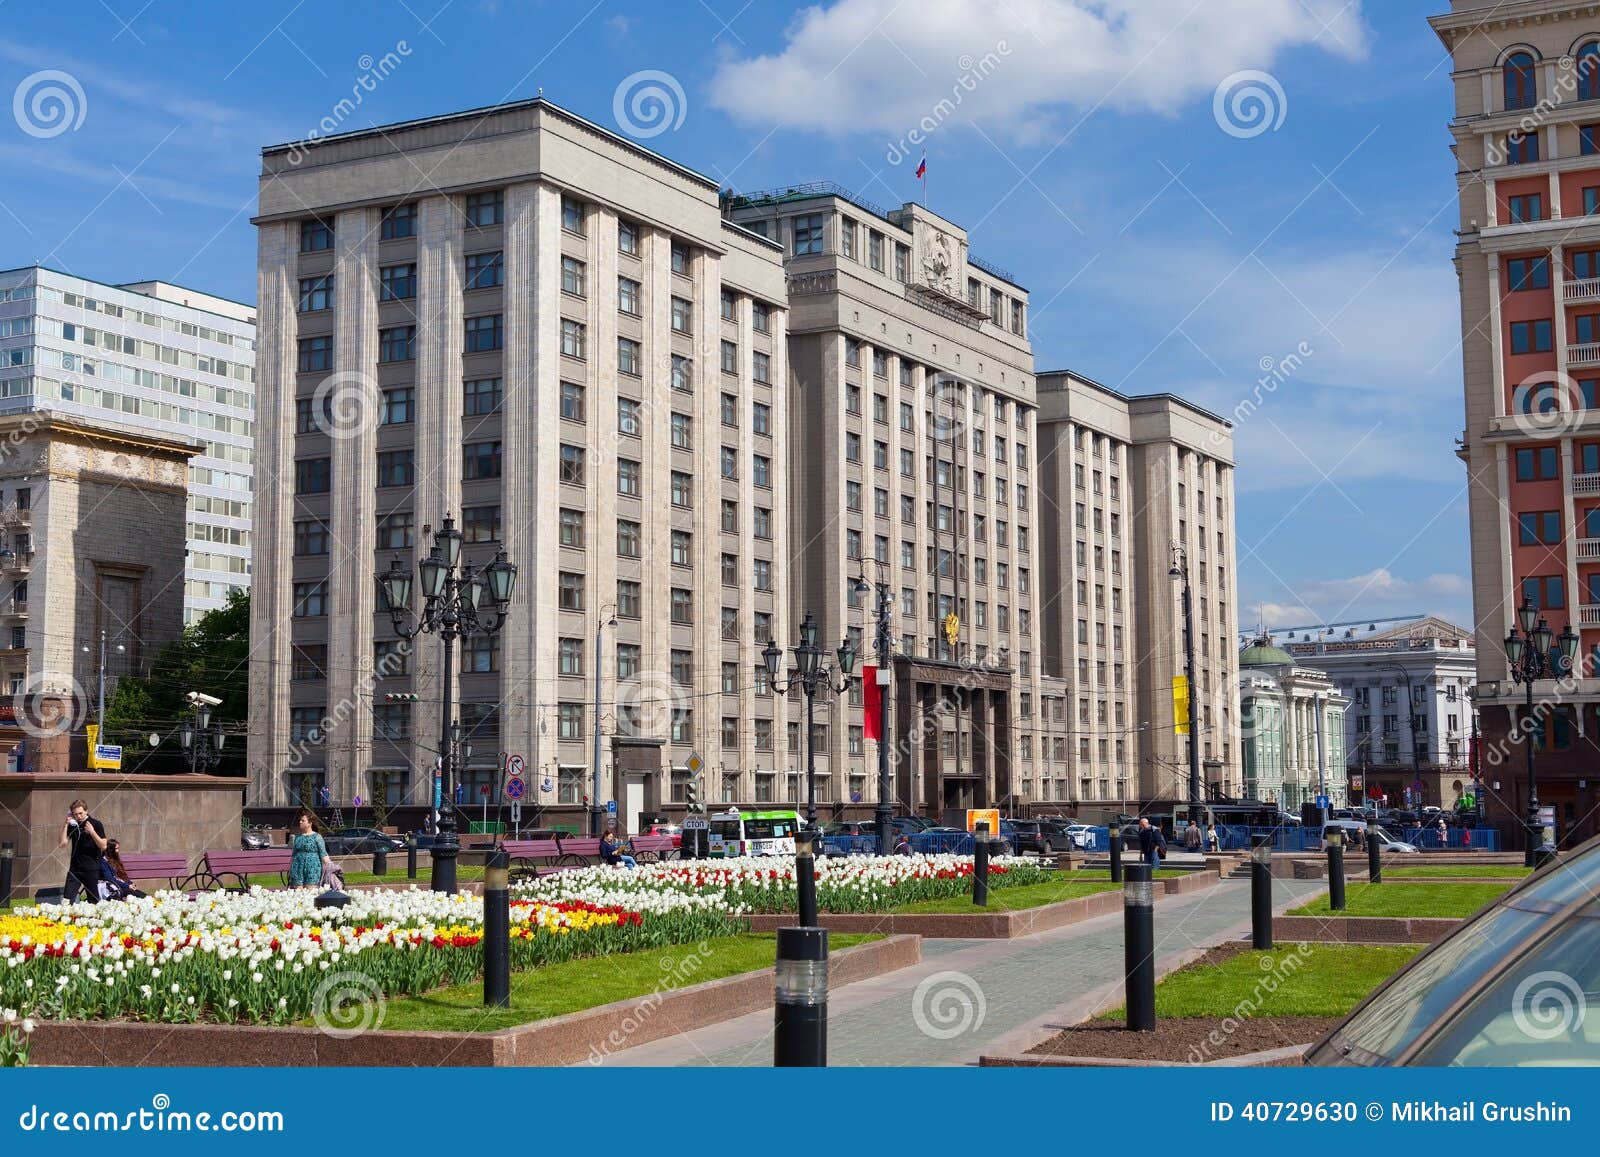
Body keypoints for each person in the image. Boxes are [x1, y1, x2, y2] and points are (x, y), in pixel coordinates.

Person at [58, 798, 108, 904]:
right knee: (67, 901)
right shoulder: (73, 825)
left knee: (94, 901)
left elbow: (103, 846)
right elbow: (62, 844)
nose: (78, 816)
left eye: (80, 813)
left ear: (86, 811)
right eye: (75, 814)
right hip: (75, 869)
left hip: (91, 868)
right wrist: (66, 824)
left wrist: (92, 832)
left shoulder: (96, 824)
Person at [288, 809, 332, 887]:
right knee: (298, 895)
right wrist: (291, 870)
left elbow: (323, 854)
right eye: (300, 820)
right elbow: (294, 854)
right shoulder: (297, 837)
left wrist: (332, 868)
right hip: (297, 869)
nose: (300, 822)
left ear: (310, 823)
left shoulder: (317, 837)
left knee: (311, 893)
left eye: (303, 820)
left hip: (312, 870)